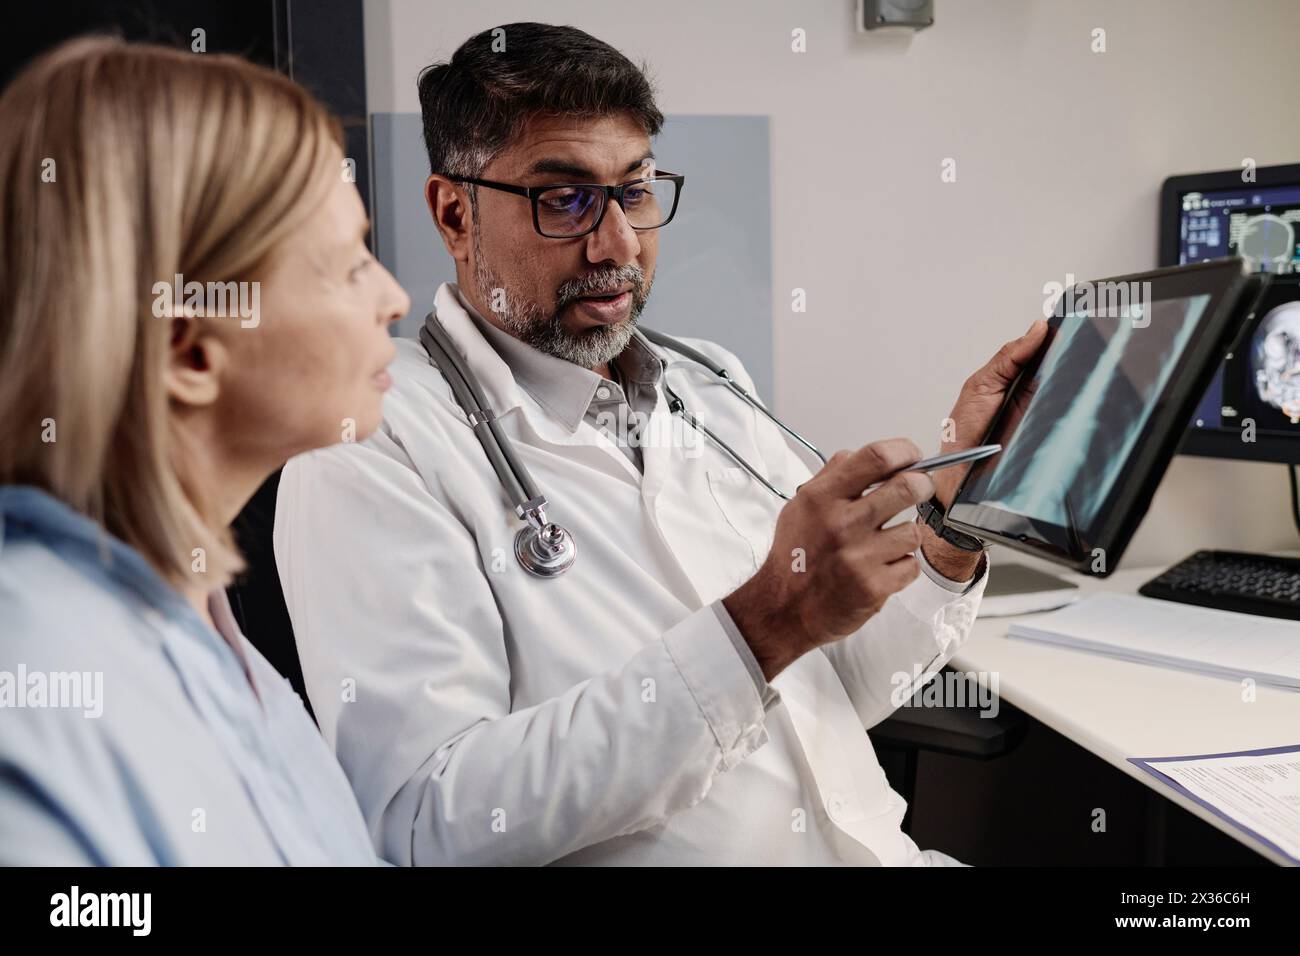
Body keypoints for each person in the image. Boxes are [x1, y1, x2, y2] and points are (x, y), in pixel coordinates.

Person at [274, 22, 1047, 866]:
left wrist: (955, 525)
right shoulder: (368, 445)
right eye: (563, 199)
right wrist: (765, 626)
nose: (617, 246)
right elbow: (425, 824)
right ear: (454, 213)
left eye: (634, 191)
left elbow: (841, 687)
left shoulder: (709, 381)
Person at [0, 36, 409, 864]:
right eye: (349, 265)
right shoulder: (34, 687)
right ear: (188, 347)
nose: (396, 297)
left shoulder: (233, 663)